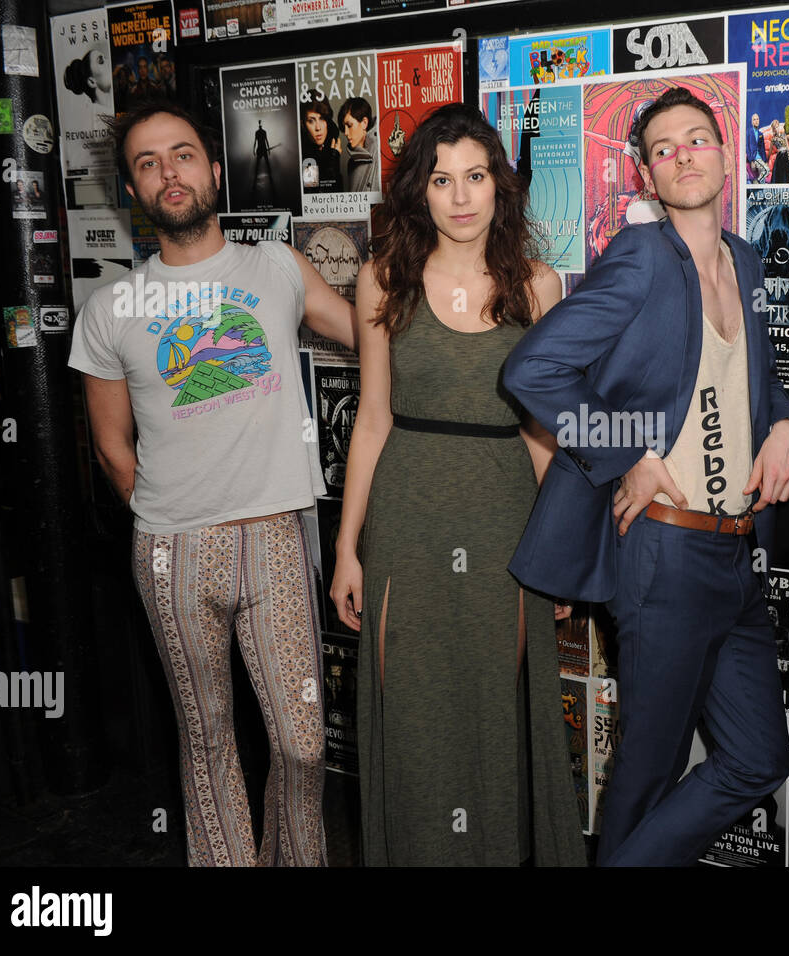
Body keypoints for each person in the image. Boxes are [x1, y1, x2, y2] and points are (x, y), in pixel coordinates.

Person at [502, 86, 789, 866]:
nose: (682, 156)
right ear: (645, 174)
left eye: (696, 139)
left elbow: (761, 386)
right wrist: (627, 451)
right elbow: (533, 369)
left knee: (757, 759)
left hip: (738, 553)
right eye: (662, 149)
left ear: (725, 153)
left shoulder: (744, 258)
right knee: (646, 774)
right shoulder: (641, 256)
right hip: (663, 556)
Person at [68, 103, 357, 865]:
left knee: (300, 743)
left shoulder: (277, 267)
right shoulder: (110, 308)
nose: (169, 172)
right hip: (172, 549)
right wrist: (173, 512)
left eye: (183, 154)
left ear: (215, 170)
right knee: (207, 738)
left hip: (276, 535)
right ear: (134, 189)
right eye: (148, 162)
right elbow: (111, 447)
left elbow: (370, 335)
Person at [329, 102, 584, 866]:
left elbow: (543, 433)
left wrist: (559, 549)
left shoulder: (535, 285)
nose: (462, 196)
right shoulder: (383, 280)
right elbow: (372, 421)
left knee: (494, 707)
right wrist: (346, 549)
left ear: (500, 185)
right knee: (411, 707)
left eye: (476, 176)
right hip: (407, 518)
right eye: (443, 180)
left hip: (504, 517)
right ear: (421, 190)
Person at [300, 93, 342, 193]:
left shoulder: (332, 143)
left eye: (322, 119)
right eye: (311, 121)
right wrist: (332, 164)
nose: (318, 128)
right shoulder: (305, 154)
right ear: (303, 124)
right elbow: (313, 195)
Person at [338, 97, 378, 193]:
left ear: (364, 123)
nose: (346, 133)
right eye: (344, 127)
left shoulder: (380, 149)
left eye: (349, 125)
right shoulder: (352, 164)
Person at [746, 112, 768, 184]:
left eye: (757, 119)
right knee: (766, 170)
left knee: (763, 176)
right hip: (754, 157)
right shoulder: (749, 132)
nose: (756, 121)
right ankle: (757, 182)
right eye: (754, 119)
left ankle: (760, 186)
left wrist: (765, 161)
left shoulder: (760, 134)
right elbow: (747, 147)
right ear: (752, 122)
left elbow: (762, 149)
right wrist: (751, 161)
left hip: (760, 158)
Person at [769, 118, 789, 185]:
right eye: (774, 128)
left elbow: (787, 147)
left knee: (787, 174)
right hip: (779, 156)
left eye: (777, 127)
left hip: (786, 155)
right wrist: (767, 161)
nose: (776, 129)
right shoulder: (773, 139)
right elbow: (770, 151)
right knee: (779, 174)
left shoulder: (784, 135)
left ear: (779, 126)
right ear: (773, 129)